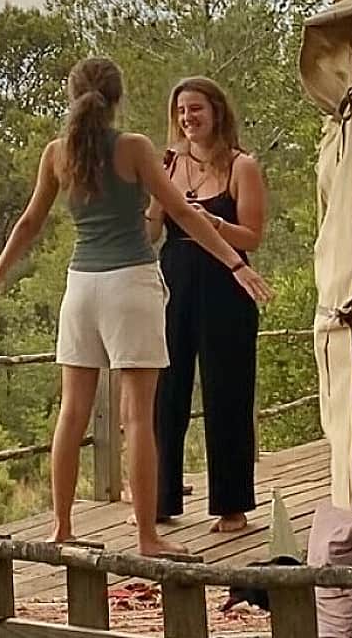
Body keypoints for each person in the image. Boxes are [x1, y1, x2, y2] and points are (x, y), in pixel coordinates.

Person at [0, 58, 271, 556]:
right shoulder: (134, 148)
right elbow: (180, 212)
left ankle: (61, 526)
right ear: (117, 98)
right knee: (137, 417)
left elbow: (28, 223)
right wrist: (236, 265)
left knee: (72, 412)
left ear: (73, 98)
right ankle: (147, 537)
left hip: (80, 287)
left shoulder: (56, 153)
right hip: (129, 285)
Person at [145, 76, 267, 533]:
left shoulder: (242, 166)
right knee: (165, 389)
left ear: (216, 112)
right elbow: (153, 233)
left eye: (196, 109)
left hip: (227, 286)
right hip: (173, 282)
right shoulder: (167, 163)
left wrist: (211, 221)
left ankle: (232, 506)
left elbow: (252, 234)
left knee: (227, 391)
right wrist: (153, 205)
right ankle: (161, 499)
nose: (187, 118)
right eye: (180, 111)